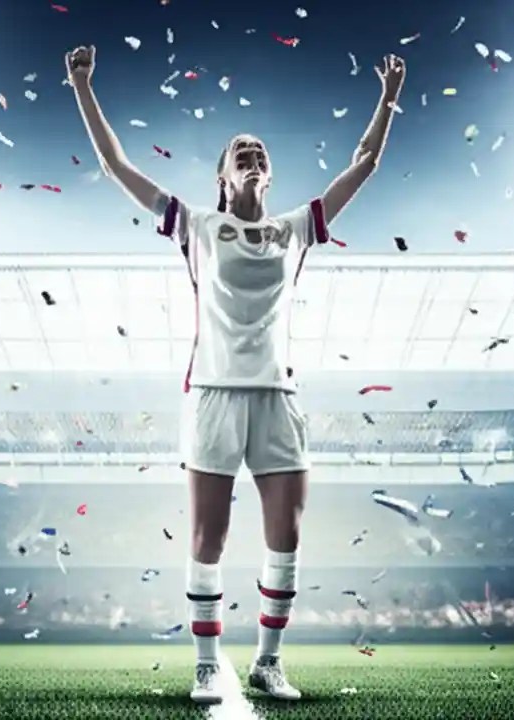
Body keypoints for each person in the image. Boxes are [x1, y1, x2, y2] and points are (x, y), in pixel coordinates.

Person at [67, 44, 405, 704]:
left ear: (268, 175)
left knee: (287, 537)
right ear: (223, 175)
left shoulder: (294, 230)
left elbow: (363, 165)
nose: (254, 156)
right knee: (208, 537)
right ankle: (204, 665)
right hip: (215, 395)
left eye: (260, 152)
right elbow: (116, 165)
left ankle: (267, 663)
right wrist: (81, 86)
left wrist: (388, 96)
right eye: (241, 152)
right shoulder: (196, 226)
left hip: (278, 397)